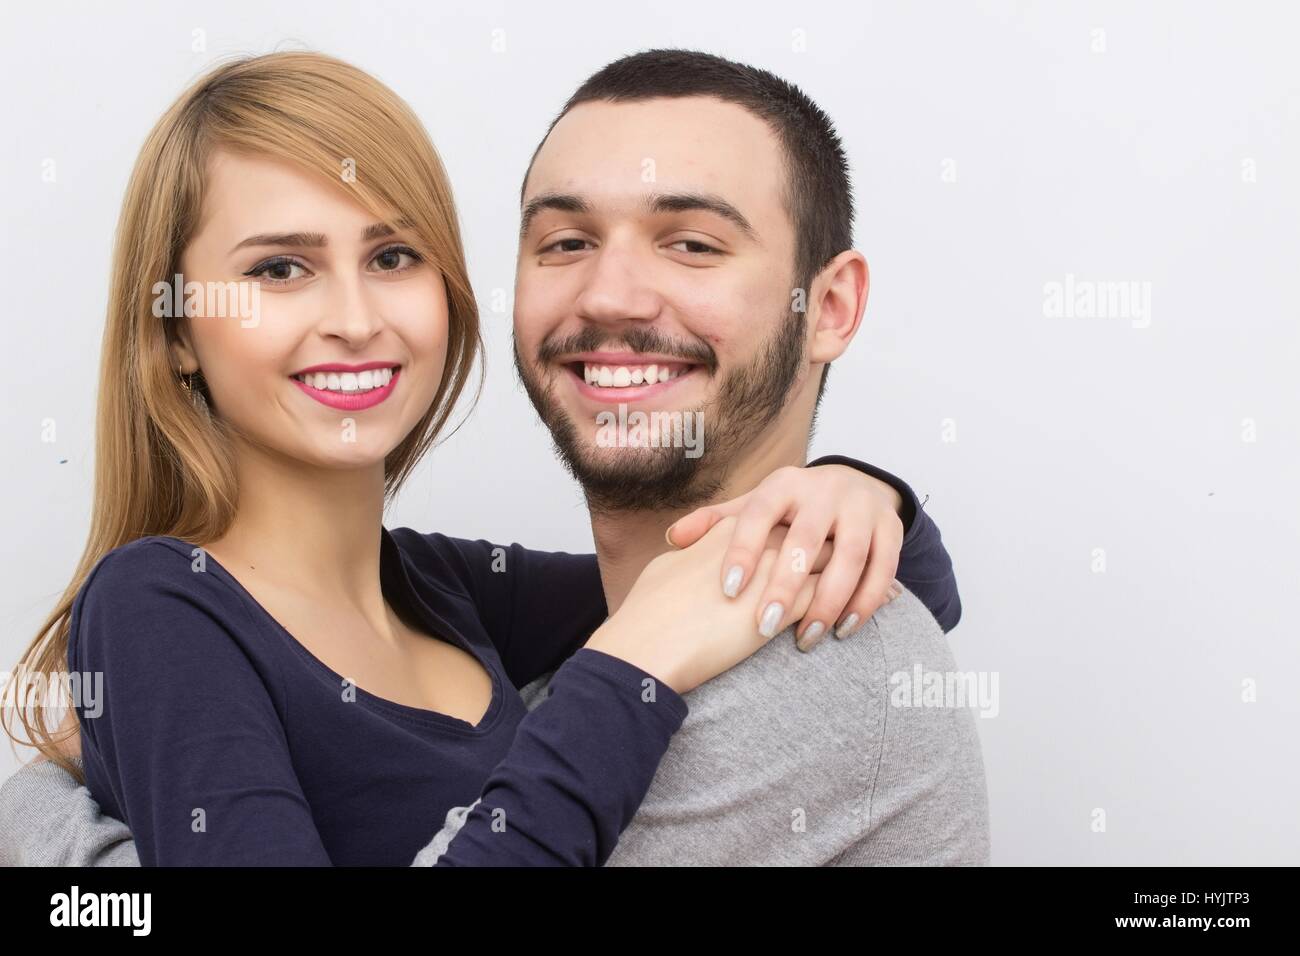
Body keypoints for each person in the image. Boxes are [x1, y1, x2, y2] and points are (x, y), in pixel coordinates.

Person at [0, 52, 960, 866]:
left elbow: (889, 587)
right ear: (175, 329)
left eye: (392, 257)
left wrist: (862, 493)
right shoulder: (160, 603)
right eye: (276, 269)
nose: (353, 318)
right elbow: (655, 622)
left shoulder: (446, 591)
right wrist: (630, 663)